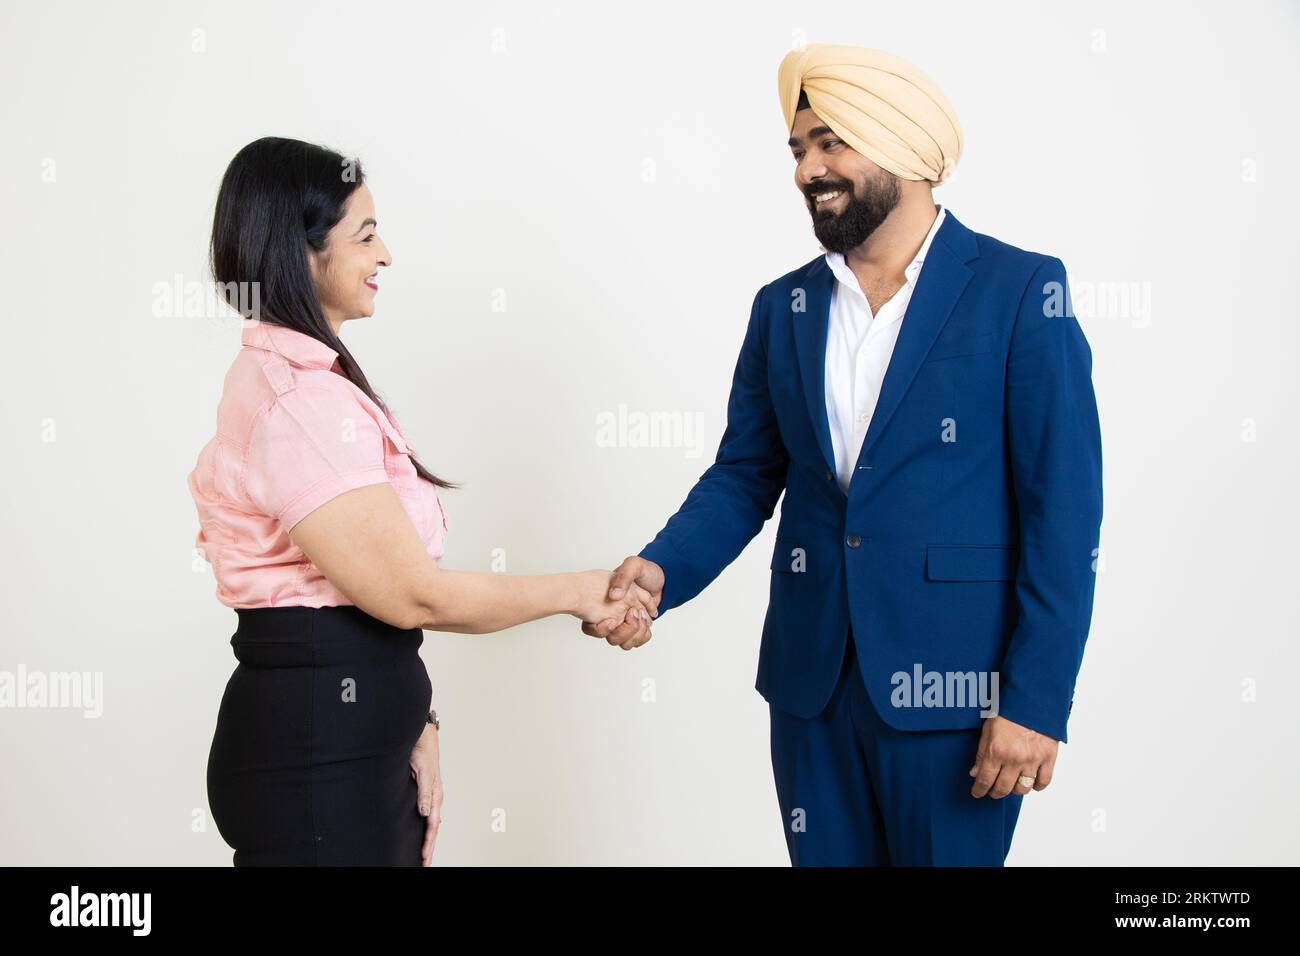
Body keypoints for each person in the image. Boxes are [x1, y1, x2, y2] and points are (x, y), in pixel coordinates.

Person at [588, 44, 1104, 866]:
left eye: (831, 143)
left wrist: (1036, 699)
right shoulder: (782, 307)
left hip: (958, 699)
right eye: (798, 150)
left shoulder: (1021, 292)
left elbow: (1065, 513)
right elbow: (746, 474)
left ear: (904, 149)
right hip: (811, 686)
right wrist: (661, 569)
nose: (807, 170)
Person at [188, 137, 654, 867]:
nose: (386, 256)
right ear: (300, 252)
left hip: (341, 746)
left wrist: (416, 714)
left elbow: (363, 604)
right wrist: (584, 592)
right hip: (317, 764)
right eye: (365, 235)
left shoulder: (308, 380)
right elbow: (412, 597)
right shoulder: (299, 401)